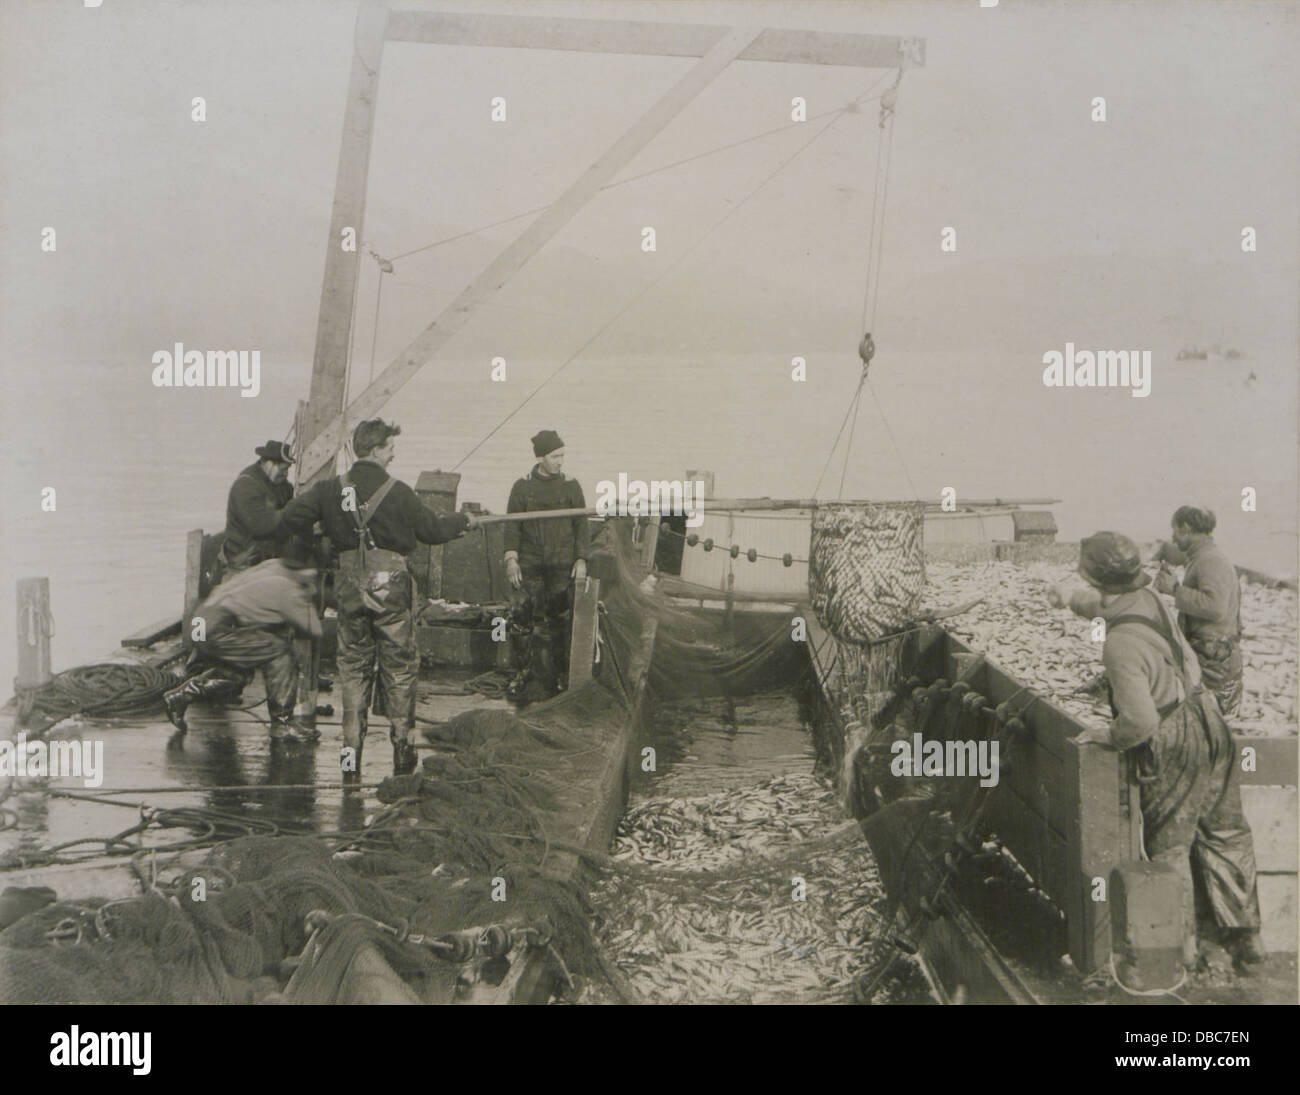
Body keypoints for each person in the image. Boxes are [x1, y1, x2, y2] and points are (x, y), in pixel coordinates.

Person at [1049, 532, 1264, 971]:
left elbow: (1140, 722)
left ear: (1093, 576)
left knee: (1170, 847)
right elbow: (1107, 605)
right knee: (1226, 833)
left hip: (1175, 737)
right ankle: (1246, 942)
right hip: (1211, 718)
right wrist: (1070, 600)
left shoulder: (1119, 645)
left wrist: (1107, 735)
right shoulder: (1149, 598)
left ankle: (1179, 955)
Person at [280, 419, 476, 785]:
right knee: (399, 668)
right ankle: (402, 753)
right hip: (392, 589)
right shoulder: (398, 491)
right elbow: (433, 531)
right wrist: (463, 521)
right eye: (389, 447)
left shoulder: (329, 490)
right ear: (374, 450)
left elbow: (291, 517)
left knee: (351, 669)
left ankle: (349, 760)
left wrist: (323, 530)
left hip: (349, 588)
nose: (393, 452)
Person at [163, 539, 322, 744]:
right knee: (279, 651)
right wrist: (310, 592)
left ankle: (180, 695)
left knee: (240, 669)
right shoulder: (288, 588)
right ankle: (283, 725)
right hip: (218, 625)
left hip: (200, 619)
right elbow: (314, 629)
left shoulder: (272, 566)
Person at [503, 430, 589, 705]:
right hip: (530, 564)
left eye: (562, 456)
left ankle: (560, 677)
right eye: (555, 457)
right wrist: (511, 559)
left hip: (562, 565)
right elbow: (512, 525)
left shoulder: (571, 487)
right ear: (540, 457)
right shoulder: (522, 487)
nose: (560, 462)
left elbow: (581, 525)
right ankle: (523, 674)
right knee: (522, 618)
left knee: (560, 620)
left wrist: (581, 559)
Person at [1152, 505, 1244, 718]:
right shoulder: (1203, 555)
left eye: (1174, 530)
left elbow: (1215, 607)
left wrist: (1175, 590)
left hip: (1214, 657)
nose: (1173, 537)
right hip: (1210, 652)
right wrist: (1165, 553)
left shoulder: (1211, 561)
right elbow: (1181, 554)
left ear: (1185, 528)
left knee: (1211, 719)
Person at [220, 441, 296, 576]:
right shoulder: (246, 486)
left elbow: (293, 500)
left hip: (269, 557)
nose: (286, 474)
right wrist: (296, 513)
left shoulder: (281, 485)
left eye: (287, 469)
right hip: (244, 561)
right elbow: (261, 525)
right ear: (268, 464)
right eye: (283, 469)